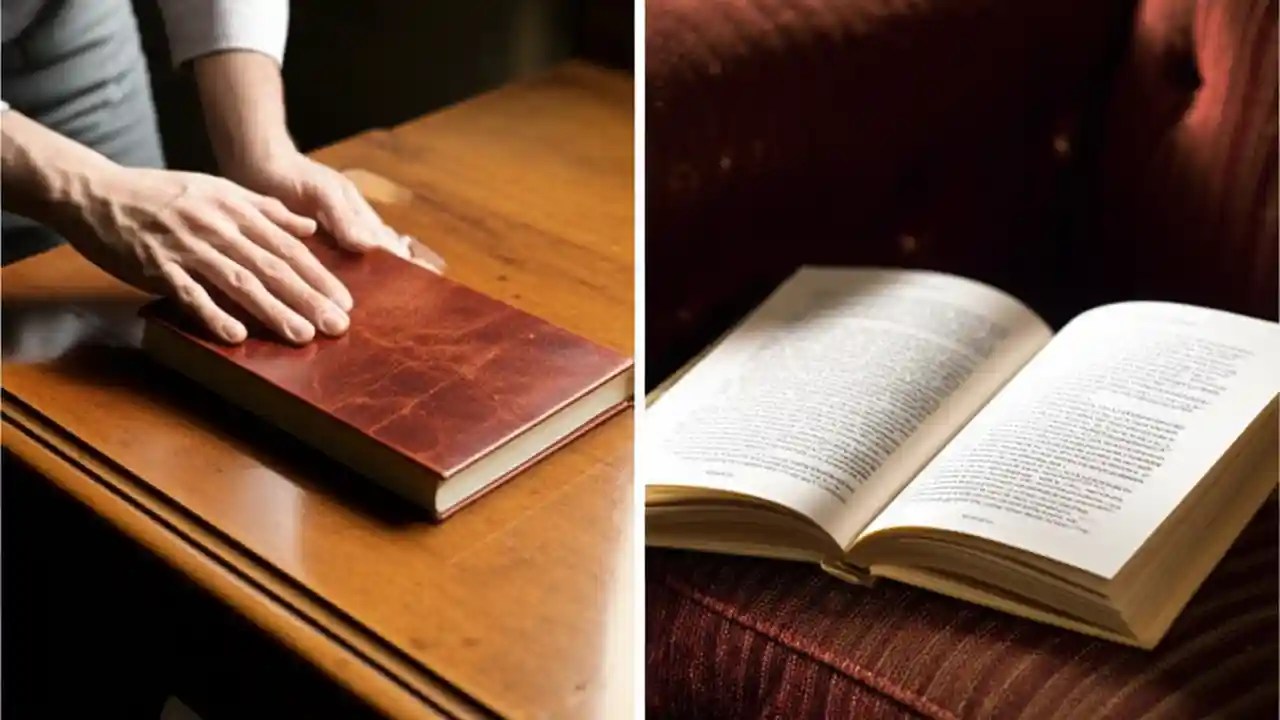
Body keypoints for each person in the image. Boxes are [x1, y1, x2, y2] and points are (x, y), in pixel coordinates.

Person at [1, 0, 436, 346]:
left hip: (61, 21)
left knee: (131, 324)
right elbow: (94, 195)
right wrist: (88, 189)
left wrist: (263, 152)